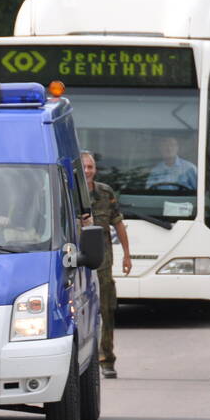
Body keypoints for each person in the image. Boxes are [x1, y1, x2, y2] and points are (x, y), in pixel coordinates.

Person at [81, 151, 132, 378]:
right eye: (84, 167)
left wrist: (127, 255)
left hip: (102, 261)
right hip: (75, 261)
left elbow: (118, 224)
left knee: (106, 308)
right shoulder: (69, 192)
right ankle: (81, 359)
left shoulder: (105, 192)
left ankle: (106, 359)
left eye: (90, 167)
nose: (88, 171)